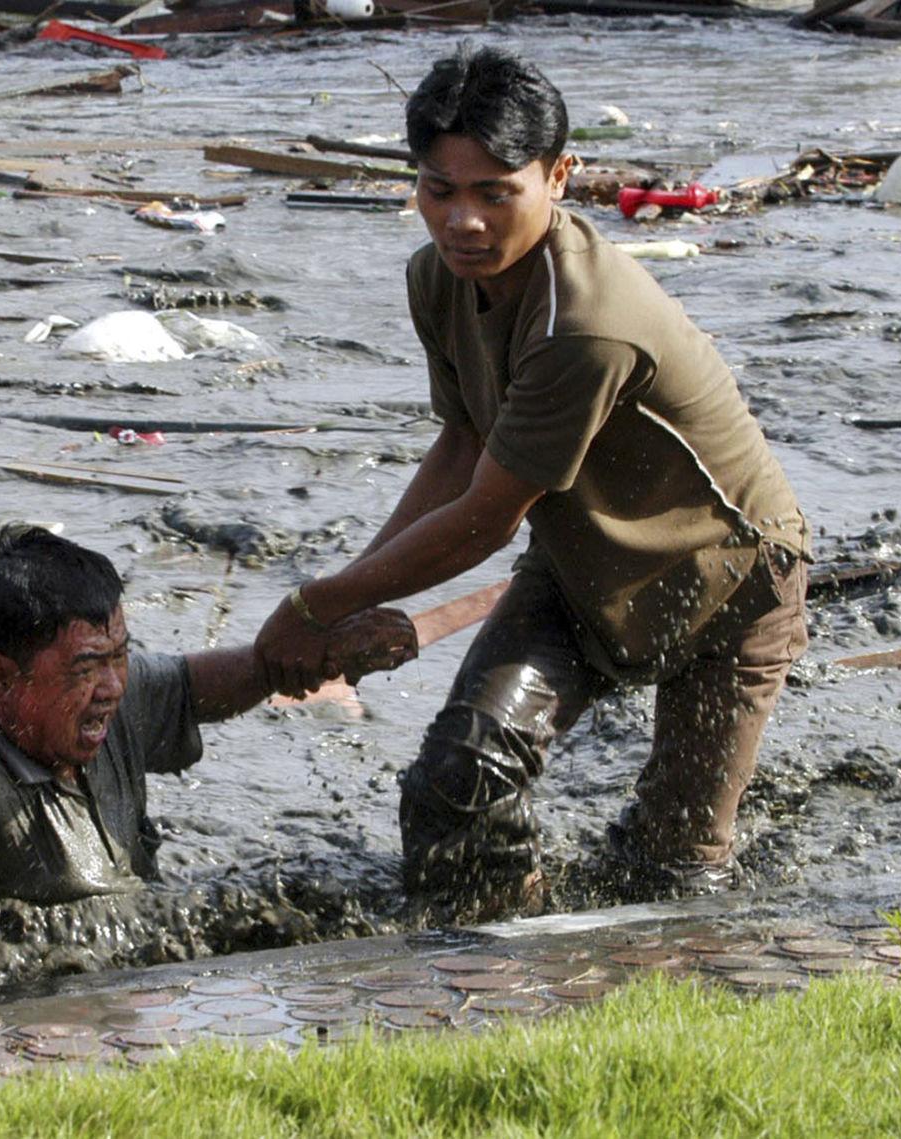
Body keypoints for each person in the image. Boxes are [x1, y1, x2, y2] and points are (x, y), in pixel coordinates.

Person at [255, 47, 811, 913]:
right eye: (439, 190)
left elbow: (486, 519)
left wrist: (315, 604)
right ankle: (493, 958)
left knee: (674, 874)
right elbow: (462, 446)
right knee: (459, 776)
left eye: (495, 193)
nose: (463, 222)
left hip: (728, 580)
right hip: (581, 565)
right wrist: (351, 598)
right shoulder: (437, 279)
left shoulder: (583, 324)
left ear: (559, 176)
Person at [0, 525, 418, 955]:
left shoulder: (114, 694)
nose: (114, 686)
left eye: (120, 656)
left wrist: (314, 653)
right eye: (87, 667)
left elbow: (201, 687)